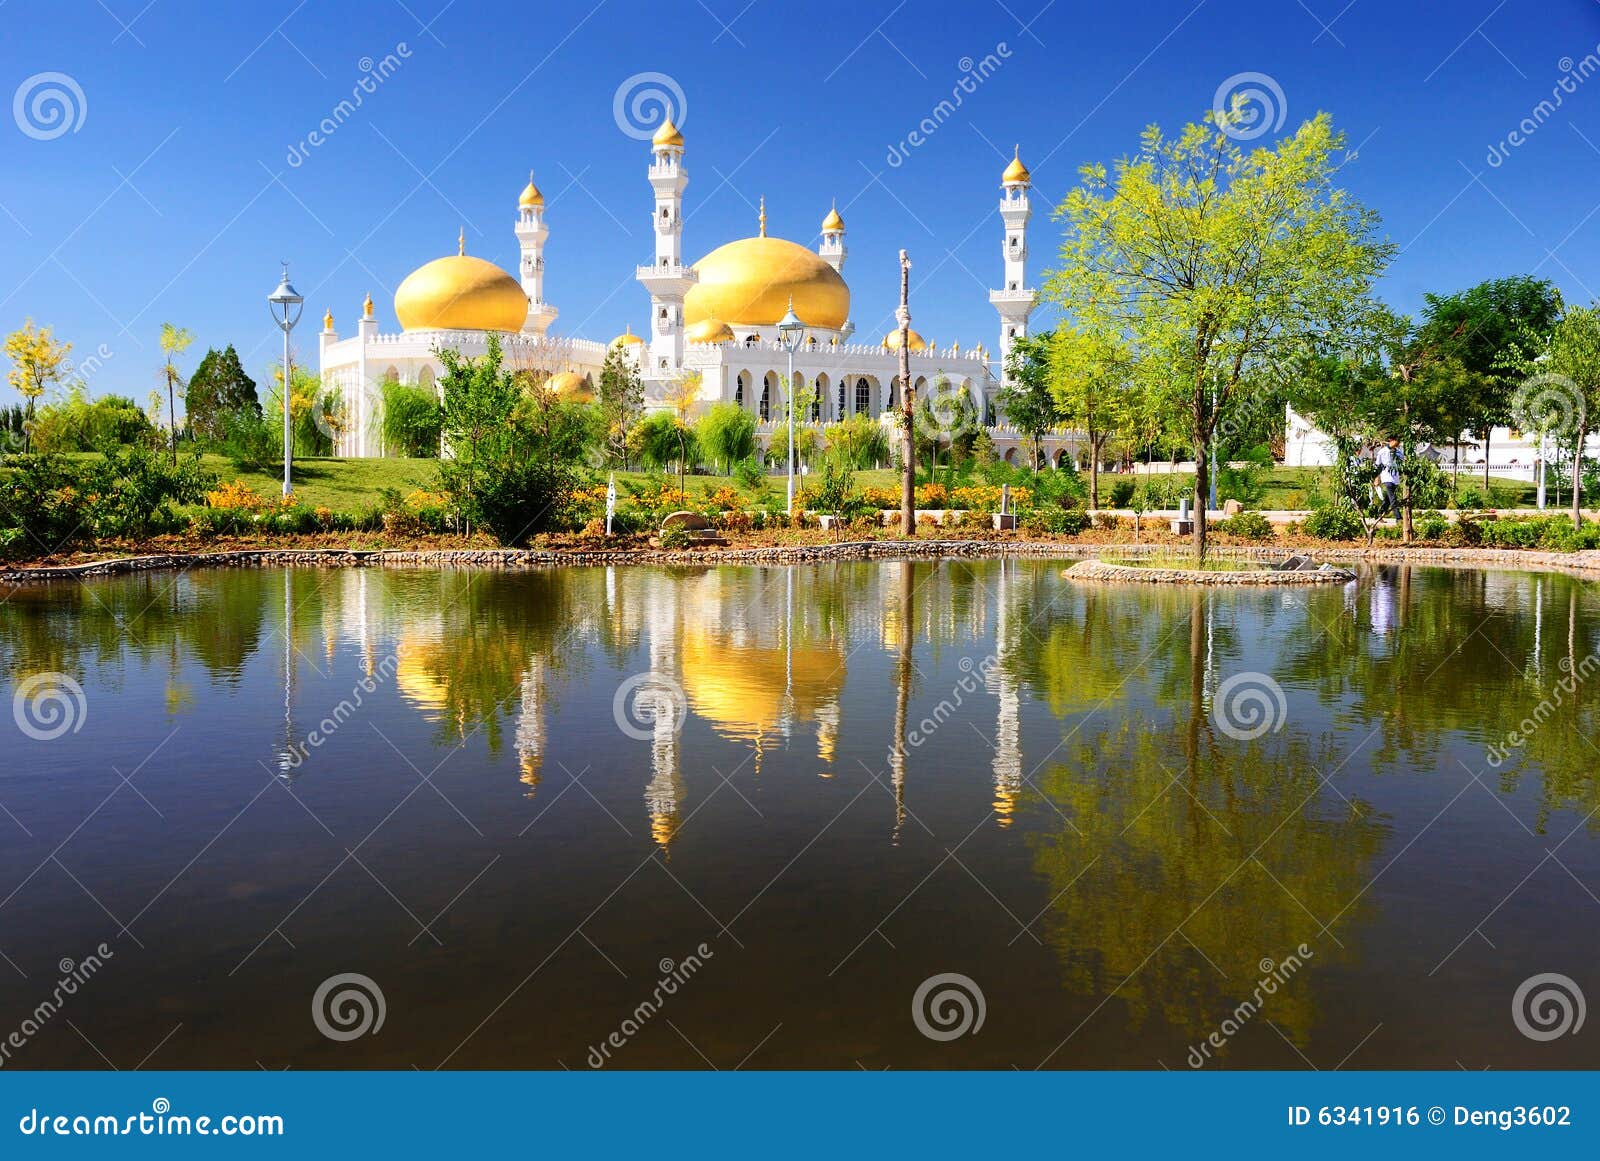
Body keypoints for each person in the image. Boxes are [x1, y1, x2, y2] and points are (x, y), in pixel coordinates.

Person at [1374, 436, 1404, 520]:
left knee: (1388, 500)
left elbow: (1403, 461)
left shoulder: (1398, 452)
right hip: (1386, 477)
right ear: (1391, 440)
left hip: (1395, 478)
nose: (1398, 443)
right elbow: (1378, 466)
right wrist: (1377, 478)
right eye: (1396, 441)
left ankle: (1378, 515)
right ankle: (1399, 518)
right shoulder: (1382, 452)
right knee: (1393, 498)